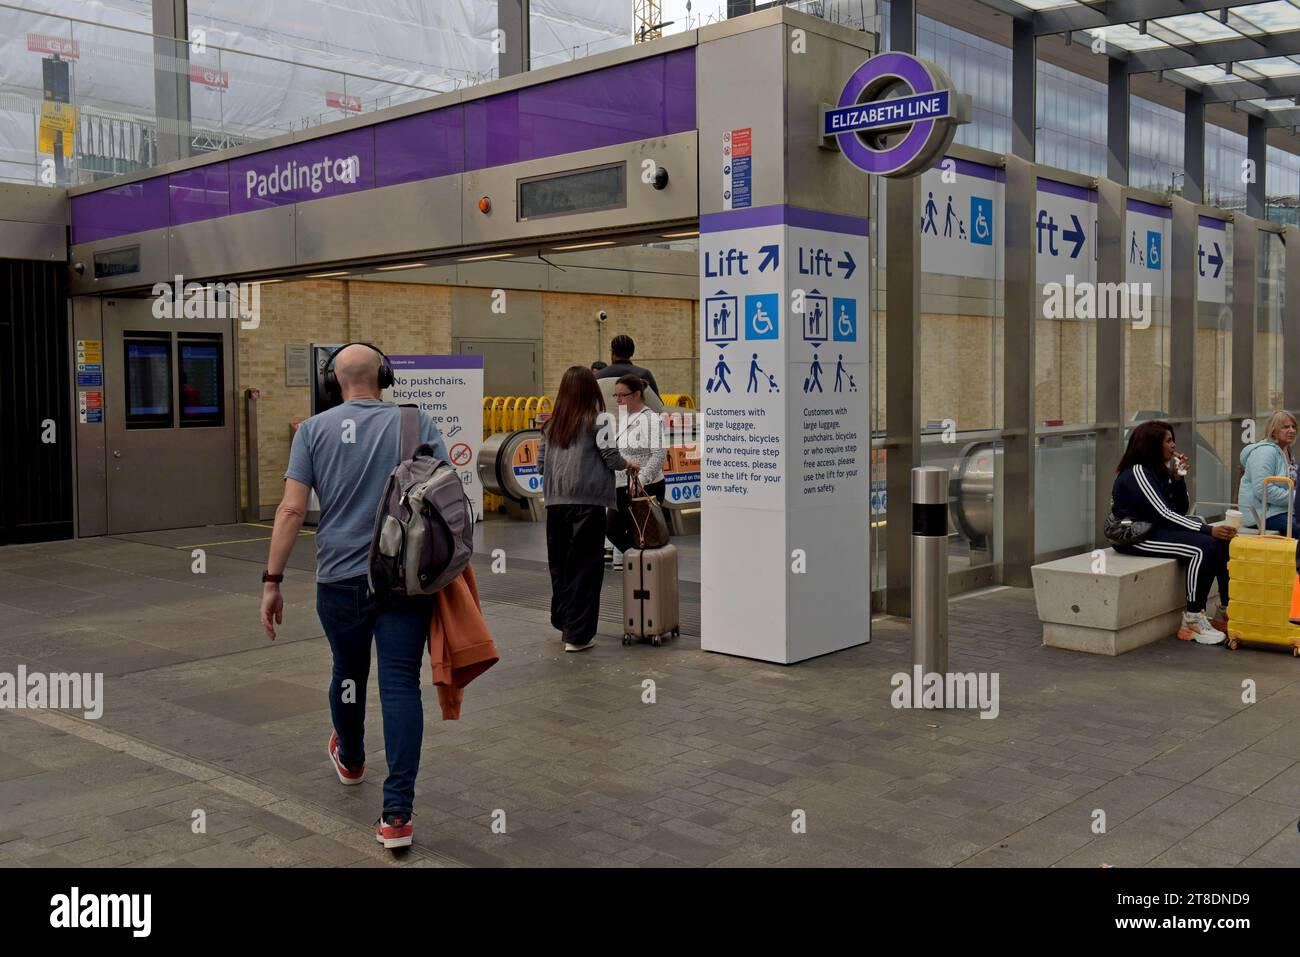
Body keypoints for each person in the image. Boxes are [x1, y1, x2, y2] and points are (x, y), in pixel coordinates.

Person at [259, 342, 449, 851]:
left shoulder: (314, 431)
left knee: (347, 672)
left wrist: (272, 580)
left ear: (332, 382)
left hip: (340, 579)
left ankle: (352, 758)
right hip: (404, 578)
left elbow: (291, 512)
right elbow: (445, 495)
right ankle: (397, 815)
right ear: (384, 376)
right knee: (400, 685)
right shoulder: (416, 424)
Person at [539, 366, 639, 651]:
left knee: (561, 565)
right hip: (588, 501)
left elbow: (540, 464)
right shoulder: (600, 419)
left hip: (556, 502)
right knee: (585, 565)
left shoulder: (551, 424)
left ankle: (564, 622)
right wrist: (628, 465)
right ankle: (578, 635)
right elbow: (610, 457)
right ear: (590, 391)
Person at [1110, 420, 1234, 644]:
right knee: (1204, 547)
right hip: (1135, 536)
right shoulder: (1137, 472)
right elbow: (1163, 514)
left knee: (1224, 542)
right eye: (1168, 441)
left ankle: (1225, 610)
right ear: (1152, 444)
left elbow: (1179, 509)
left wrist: (1178, 479)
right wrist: (1207, 530)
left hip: (1156, 529)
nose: (1173, 445)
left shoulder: (1159, 471)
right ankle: (1193, 619)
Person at [605, 374, 667, 564]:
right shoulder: (626, 418)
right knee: (614, 530)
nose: (618, 400)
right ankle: (640, 564)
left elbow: (659, 454)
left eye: (622, 395)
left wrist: (642, 479)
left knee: (641, 534)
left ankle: (645, 566)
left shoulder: (651, 419)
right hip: (624, 485)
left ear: (637, 394)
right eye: (615, 396)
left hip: (645, 487)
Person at [1237, 410, 1298, 534]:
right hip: (1262, 515)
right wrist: (1296, 497)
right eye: (1286, 427)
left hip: (1282, 511)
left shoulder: (1287, 451)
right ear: (1273, 431)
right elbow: (1263, 490)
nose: (1292, 430)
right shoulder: (1265, 452)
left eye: (1293, 426)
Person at [593, 334, 660, 398]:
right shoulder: (644, 374)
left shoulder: (598, 376)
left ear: (613, 353)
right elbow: (657, 404)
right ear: (632, 353)